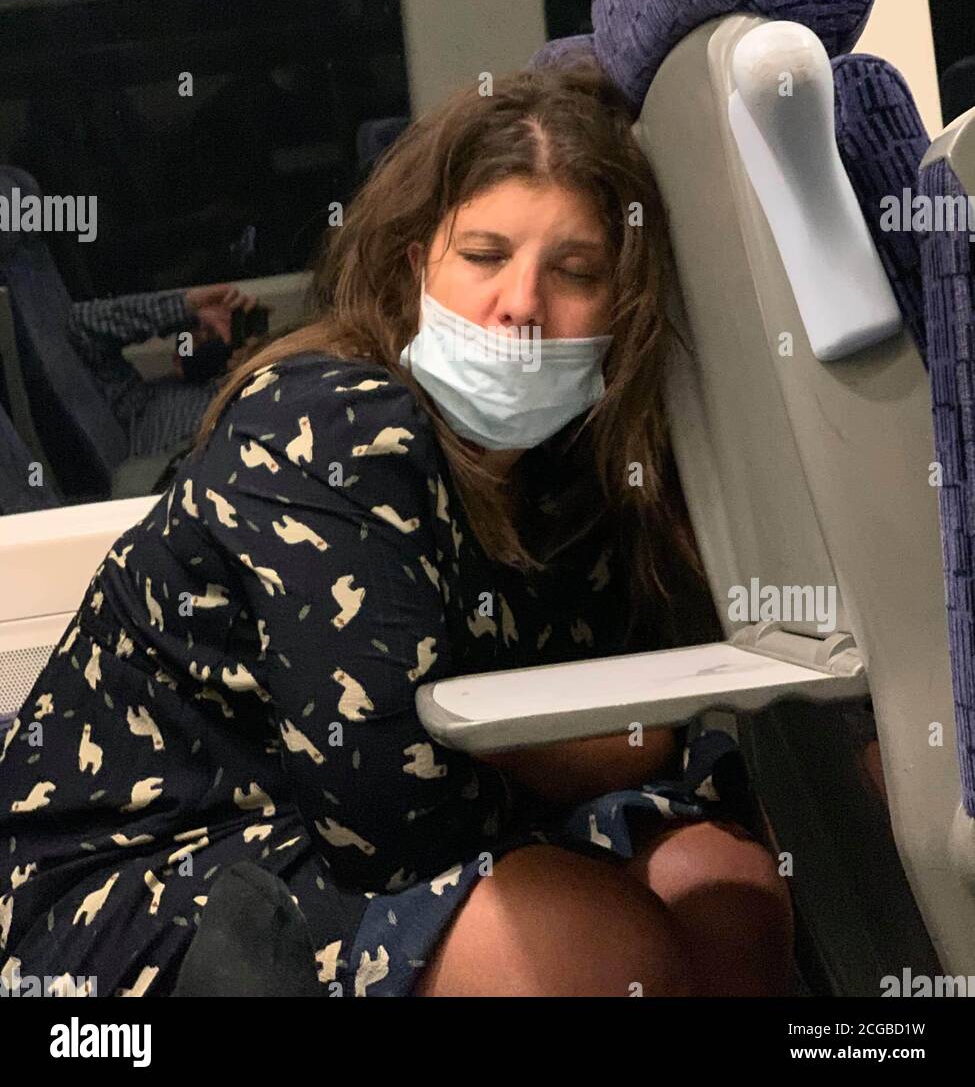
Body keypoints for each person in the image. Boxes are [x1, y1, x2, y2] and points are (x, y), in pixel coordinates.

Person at [0, 58, 794, 998]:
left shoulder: (581, 464)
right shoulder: (327, 423)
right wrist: (553, 743)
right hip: (154, 864)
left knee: (727, 891)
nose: (521, 307)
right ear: (420, 265)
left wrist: (524, 733)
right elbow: (385, 810)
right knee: (595, 951)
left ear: (620, 305)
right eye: (486, 256)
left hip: (391, 817)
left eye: (574, 271)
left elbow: (661, 723)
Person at [67, 283, 261, 458]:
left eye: (210, 336)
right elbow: (82, 324)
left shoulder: (255, 406)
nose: (187, 346)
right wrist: (185, 307)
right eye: (183, 341)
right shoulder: (143, 401)